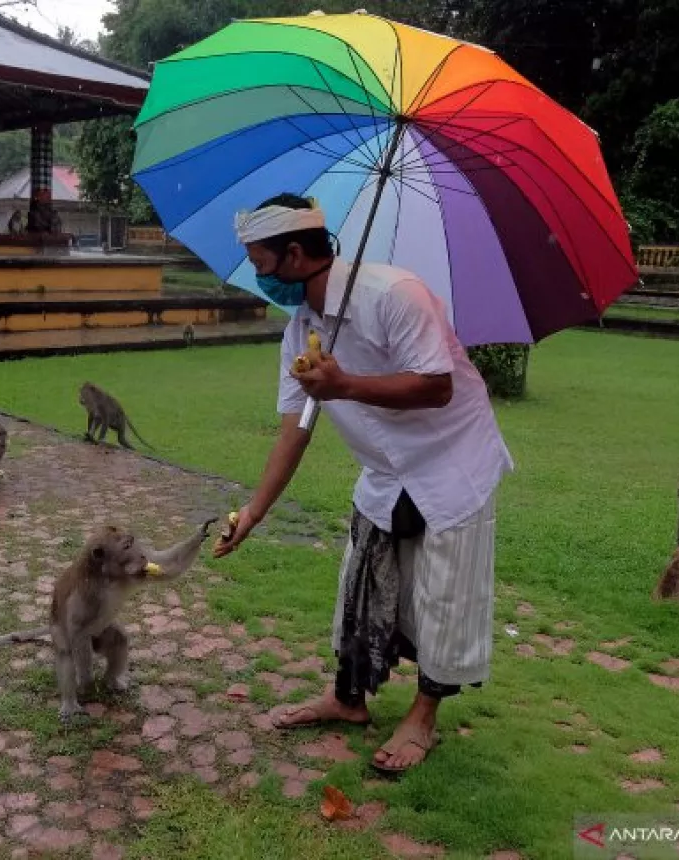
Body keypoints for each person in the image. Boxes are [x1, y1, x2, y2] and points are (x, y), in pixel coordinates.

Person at [214, 193, 514, 774]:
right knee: (361, 584)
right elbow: (295, 429)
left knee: (443, 597)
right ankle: (347, 699)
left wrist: (345, 384)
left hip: (451, 464)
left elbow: (437, 386)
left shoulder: (396, 295)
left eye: (260, 263)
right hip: (384, 472)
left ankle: (422, 718)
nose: (258, 276)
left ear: (294, 255)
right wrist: (253, 512)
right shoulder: (301, 330)